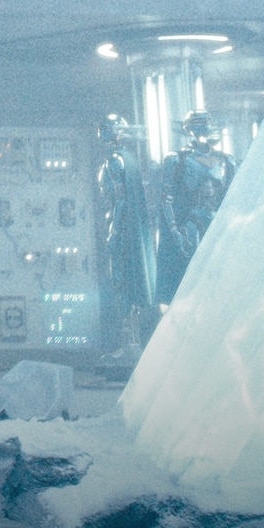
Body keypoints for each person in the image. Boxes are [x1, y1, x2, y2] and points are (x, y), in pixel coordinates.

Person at [153, 110, 235, 306]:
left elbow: (232, 198)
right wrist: (175, 232)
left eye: (204, 121)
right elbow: (167, 198)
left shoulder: (226, 160)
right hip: (191, 225)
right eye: (196, 122)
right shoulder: (176, 159)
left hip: (217, 224)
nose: (201, 126)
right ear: (187, 128)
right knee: (191, 278)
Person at [93, 114, 156, 357]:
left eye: (104, 128)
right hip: (127, 228)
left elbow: (120, 199)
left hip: (121, 229)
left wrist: (115, 230)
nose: (101, 133)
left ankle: (130, 342)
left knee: (121, 282)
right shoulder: (127, 159)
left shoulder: (114, 161)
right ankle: (131, 341)